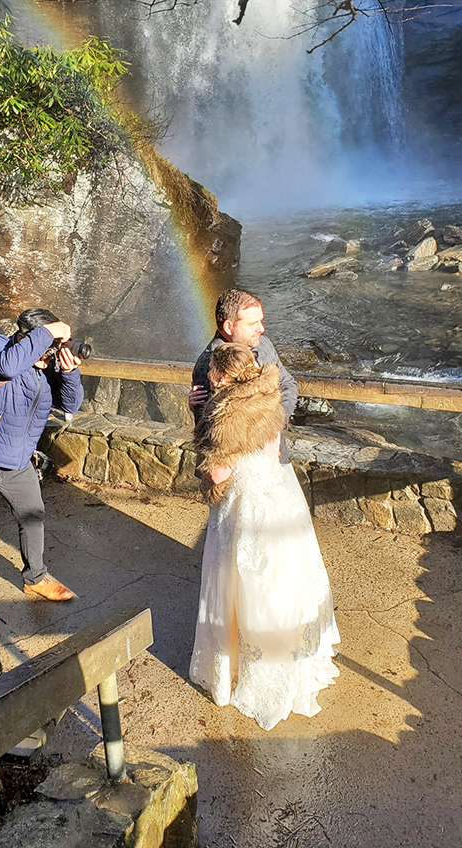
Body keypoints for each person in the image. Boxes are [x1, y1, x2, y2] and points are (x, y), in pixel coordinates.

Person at [189, 343, 340, 730]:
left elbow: (219, 472)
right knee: (278, 583)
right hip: (276, 496)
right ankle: (289, 659)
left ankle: (241, 670)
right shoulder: (269, 397)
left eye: (214, 371)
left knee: (239, 584)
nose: (209, 375)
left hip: (241, 506)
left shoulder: (225, 416)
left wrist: (202, 431)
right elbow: (270, 451)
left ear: (224, 376)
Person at [0, 308, 84, 629]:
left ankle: (35, 578)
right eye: (46, 344)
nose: (49, 353)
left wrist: (69, 372)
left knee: (33, 517)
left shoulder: (44, 367)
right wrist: (49, 333)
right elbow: (6, 368)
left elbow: (70, 404)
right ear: (25, 337)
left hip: (17, 462)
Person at [189, 288, 297, 463]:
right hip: (237, 466)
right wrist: (268, 433)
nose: (261, 329)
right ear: (229, 327)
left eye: (261, 321)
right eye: (253, 323)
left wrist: (277, 423)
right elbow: (212, 434)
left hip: (276, 453)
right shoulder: (208, 367)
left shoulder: (263, 345)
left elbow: (288, 384)